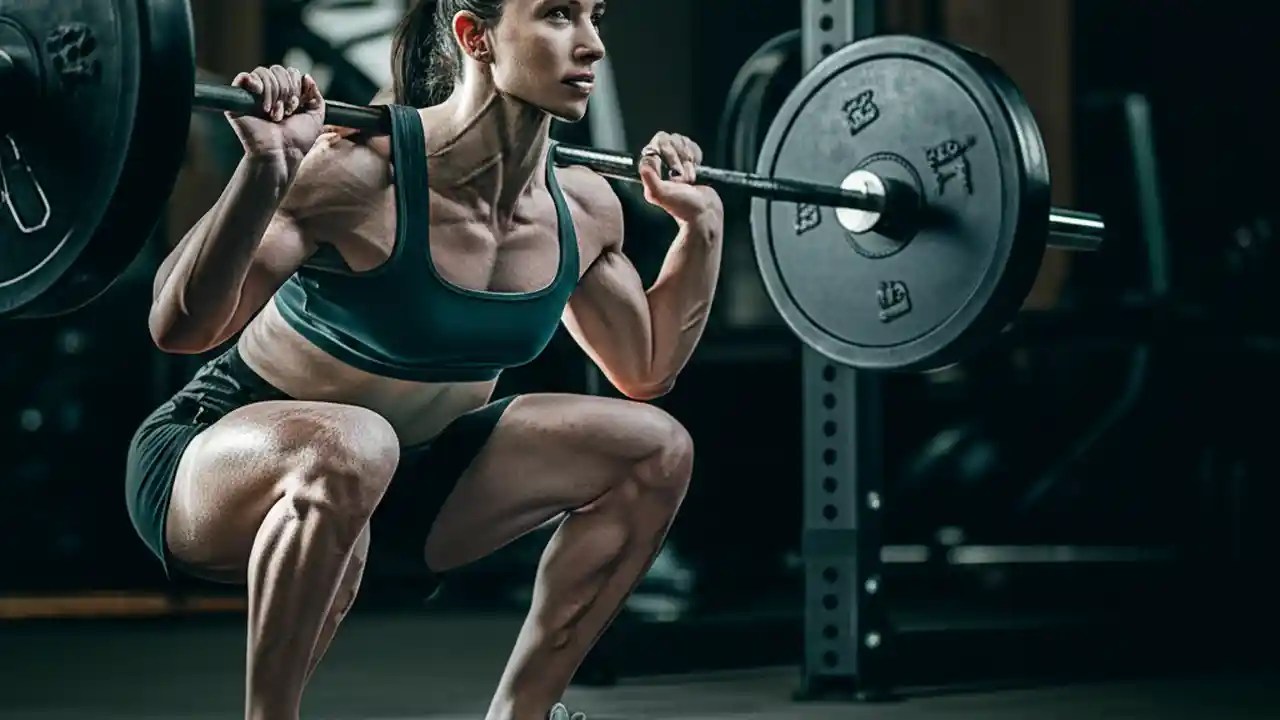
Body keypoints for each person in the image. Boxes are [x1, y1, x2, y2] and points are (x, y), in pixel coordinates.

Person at [123, 0, 724, 718]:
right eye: (558, 16)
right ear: (476, 37)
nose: (592, 44)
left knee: (655, 450)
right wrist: (267, 169)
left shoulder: (583, 206)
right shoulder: (355, 175)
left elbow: (647, 368)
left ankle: (521, 713)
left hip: (406, 487)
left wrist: (702, 227)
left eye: (596, 16)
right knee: (355, 442)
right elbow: (179, 326)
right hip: (219, 466)